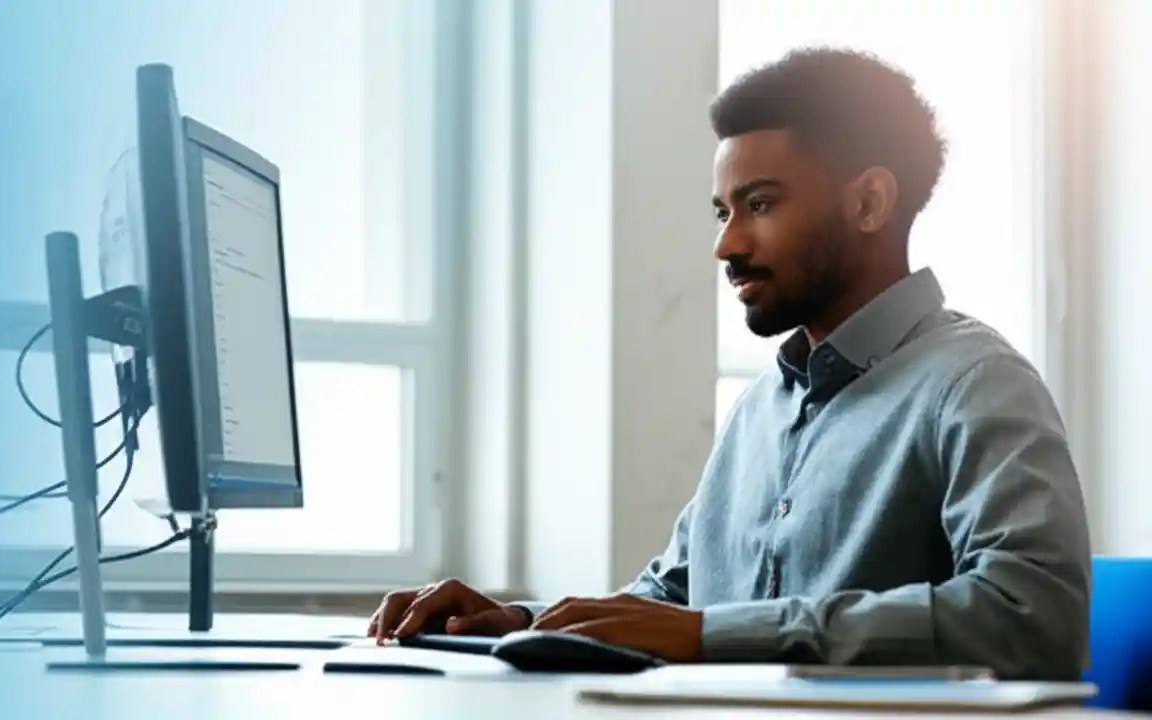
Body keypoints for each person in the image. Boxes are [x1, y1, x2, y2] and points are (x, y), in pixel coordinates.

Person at [367, 47, 1091, 681]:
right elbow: (674, 599)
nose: (727, 245)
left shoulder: (975, 385)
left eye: (761, 204)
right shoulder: (762, 407)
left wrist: (711, 636)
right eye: (723, 212)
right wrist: (517, 622)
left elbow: (1034, 617)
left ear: (870, 201)